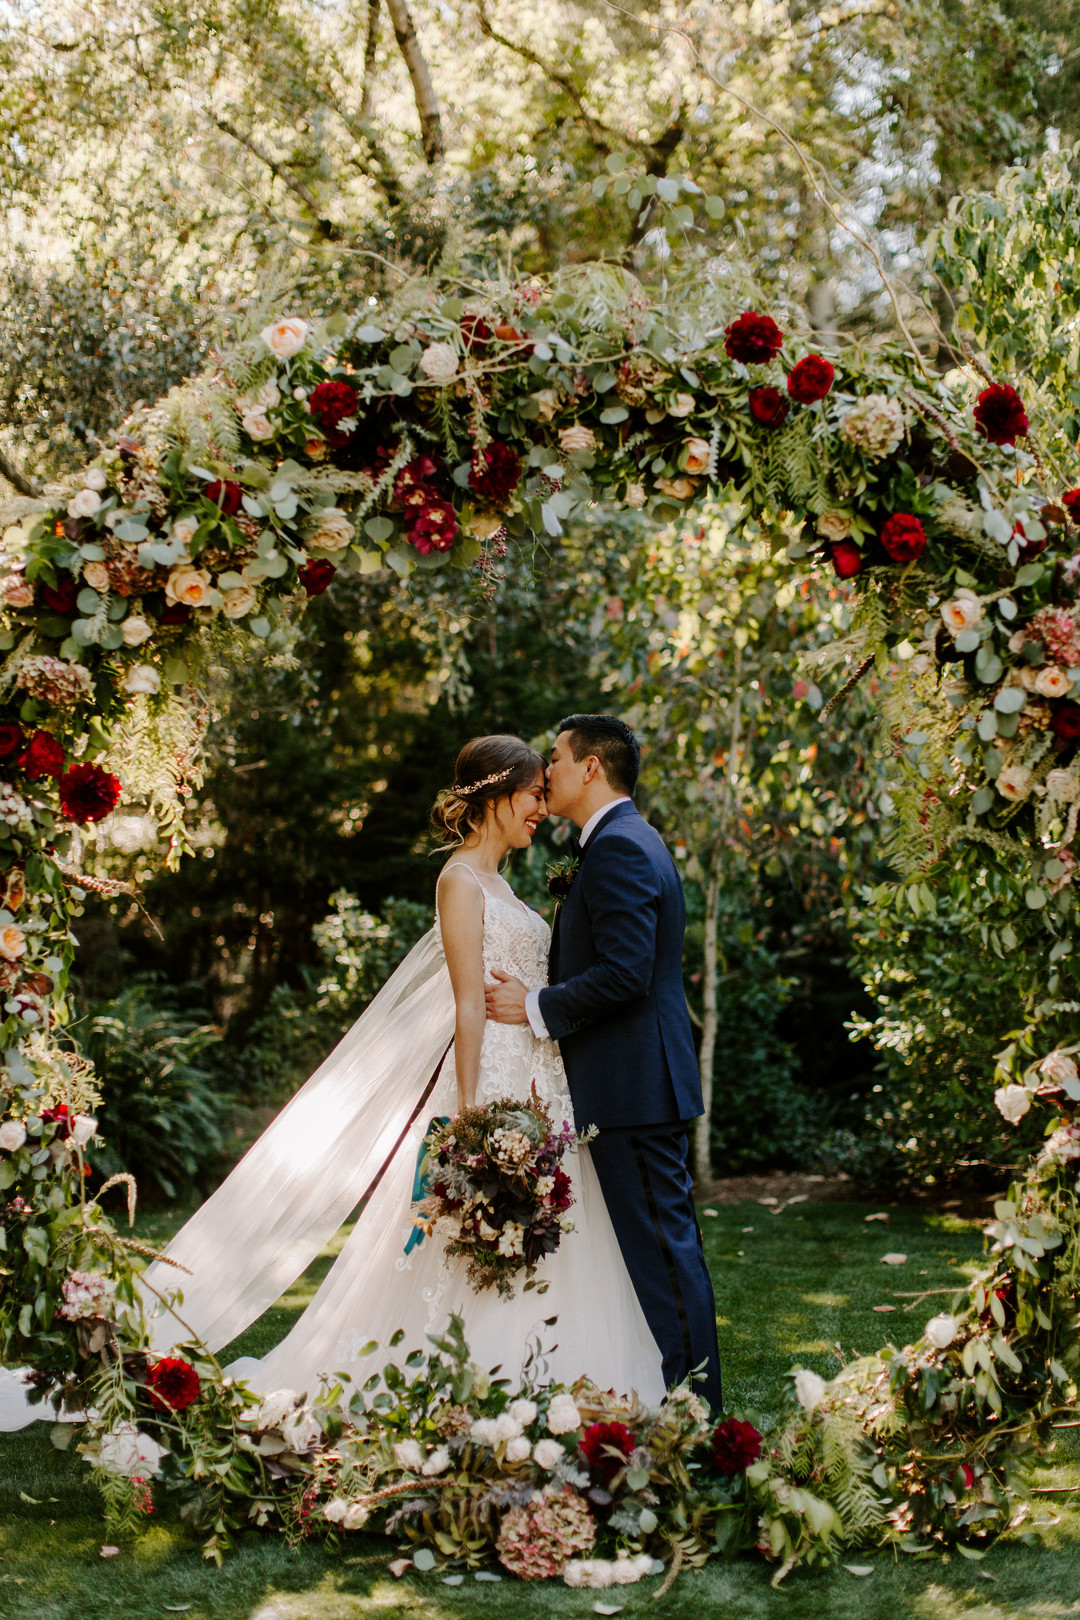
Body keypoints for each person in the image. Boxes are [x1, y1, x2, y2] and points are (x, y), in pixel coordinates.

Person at [133, 733, 666, 1404]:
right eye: (532, 795)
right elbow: (467, 1007)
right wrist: (473, 1119)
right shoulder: (460, 880)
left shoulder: (504, 883)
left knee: (550, 1236)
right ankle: (472, 1387)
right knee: (481, 1236)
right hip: (493, 1087)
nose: (541, 807)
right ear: (498, 794)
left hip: (542, 1086)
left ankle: (549, 1384)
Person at [485, 714, 722, 1411]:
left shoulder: (619, 847)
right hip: (634, 1086)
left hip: (634, 1089)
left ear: (590, 768)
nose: (545, 771)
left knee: (666, 1261)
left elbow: (626, 974)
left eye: (555, 757)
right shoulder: (618, 842)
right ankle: (682, 1408)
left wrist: (536, 1005)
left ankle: (699, 1418)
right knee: (660, 1257)